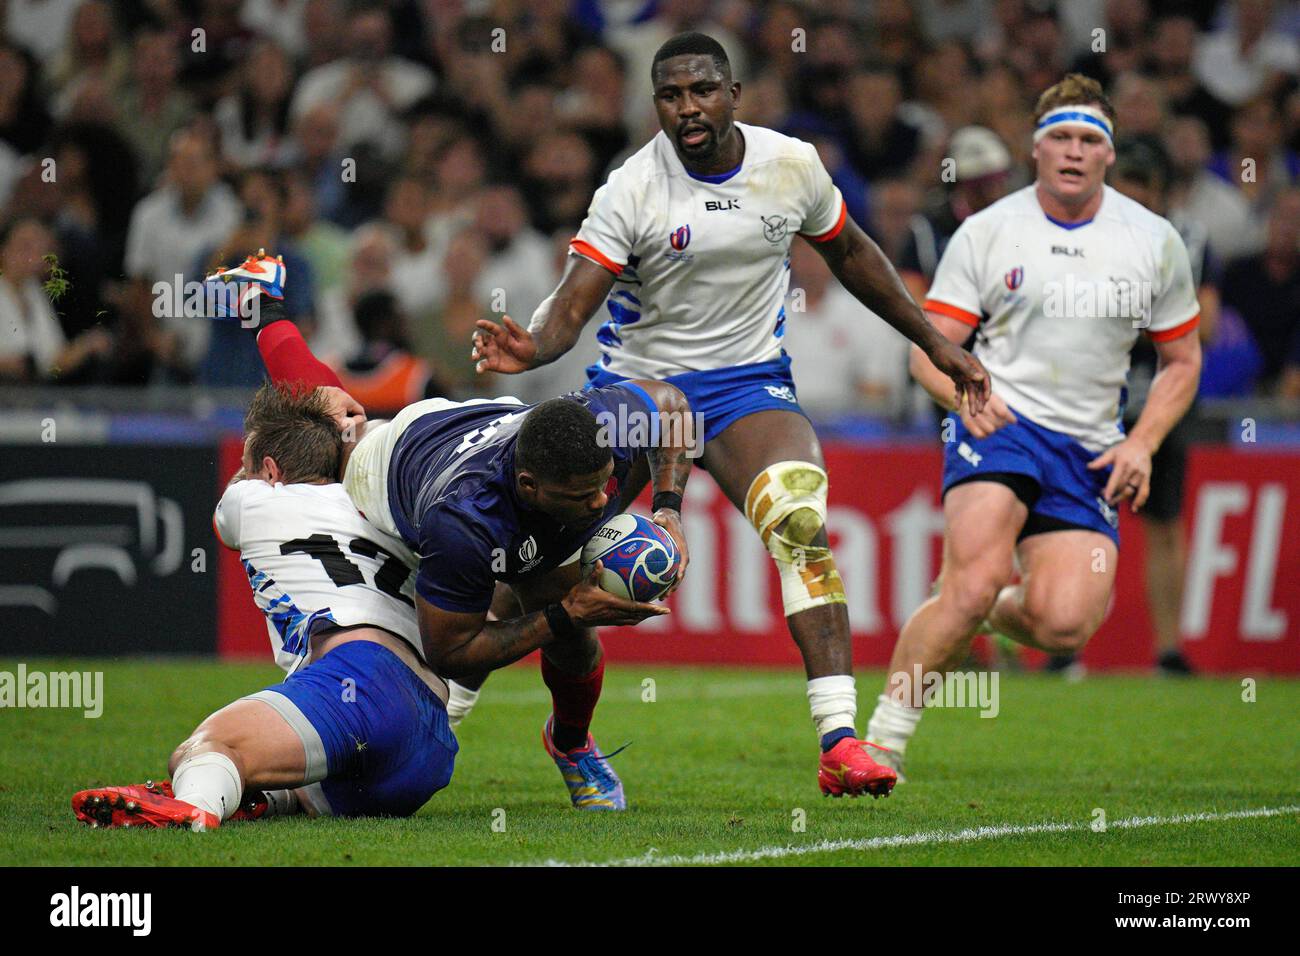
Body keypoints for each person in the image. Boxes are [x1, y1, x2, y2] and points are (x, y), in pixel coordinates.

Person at [471, 32, 990, 798]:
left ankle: (840, 741)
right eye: (672, 96)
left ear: (733, 94)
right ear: (657, 106)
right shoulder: (631, 188)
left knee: (800, 523)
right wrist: (534, 345)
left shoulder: (791, 165)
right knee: (533, 578)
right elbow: (574, 304)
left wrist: (935, 340)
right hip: (636, 393)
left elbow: (851, 255)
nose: (689, 108)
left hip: (747, 388)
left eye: (703, 91)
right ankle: (535, 733)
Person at [210, 252, 697, 810]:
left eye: (603, 486)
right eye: (582, 496)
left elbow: (673, 405)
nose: (600, 505)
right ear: (532, 487)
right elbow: (452, 651)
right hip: (395, 462)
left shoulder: (594, 423)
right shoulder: (463, 524)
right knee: (331, 420)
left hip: (475, 425)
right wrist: (569, 613)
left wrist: (668, 511)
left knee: (572, 641)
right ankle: (265, 302)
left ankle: (570, 743)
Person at [864, 74, 1203, 778]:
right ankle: (878, 745)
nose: (1074, 152)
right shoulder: (988, 233)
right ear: (1036, 149)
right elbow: (930, 350)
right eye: (1061, 139)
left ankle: (984, 605)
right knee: (976, 572)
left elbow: (1181, 362)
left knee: (1063, 623)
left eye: (1089, 140)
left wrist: (1142, 441)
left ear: (1108, 155)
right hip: (1000, 422)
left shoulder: (1154, 242)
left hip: (1090, 448)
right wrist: (962, 398)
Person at [72, 384, 457, 829]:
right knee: (300, 777)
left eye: (248, 465)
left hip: (363, 682)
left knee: (205, 750)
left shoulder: (251, 497)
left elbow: (228, 516)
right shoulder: (382, 510)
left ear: (270, 470)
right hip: (428, 743)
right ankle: (264, 797)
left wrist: (276, 440)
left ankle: (194, 806)